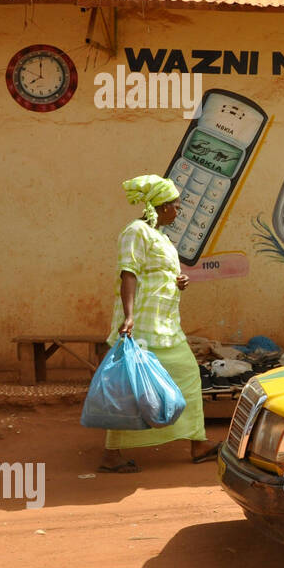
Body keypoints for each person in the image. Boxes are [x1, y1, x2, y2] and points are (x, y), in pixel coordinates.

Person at [100, 175, 220, 472]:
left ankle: (197, 442)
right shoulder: (135, 232)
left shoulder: (163, 239)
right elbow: (128, 273)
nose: (179, 212)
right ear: (162, 207)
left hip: (167, 326)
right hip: (142, 326)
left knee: (188, 378)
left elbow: (160, 274)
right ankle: (112, 454)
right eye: (176, 207)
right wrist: (129, 316)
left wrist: (180, 280)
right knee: (130, 389)